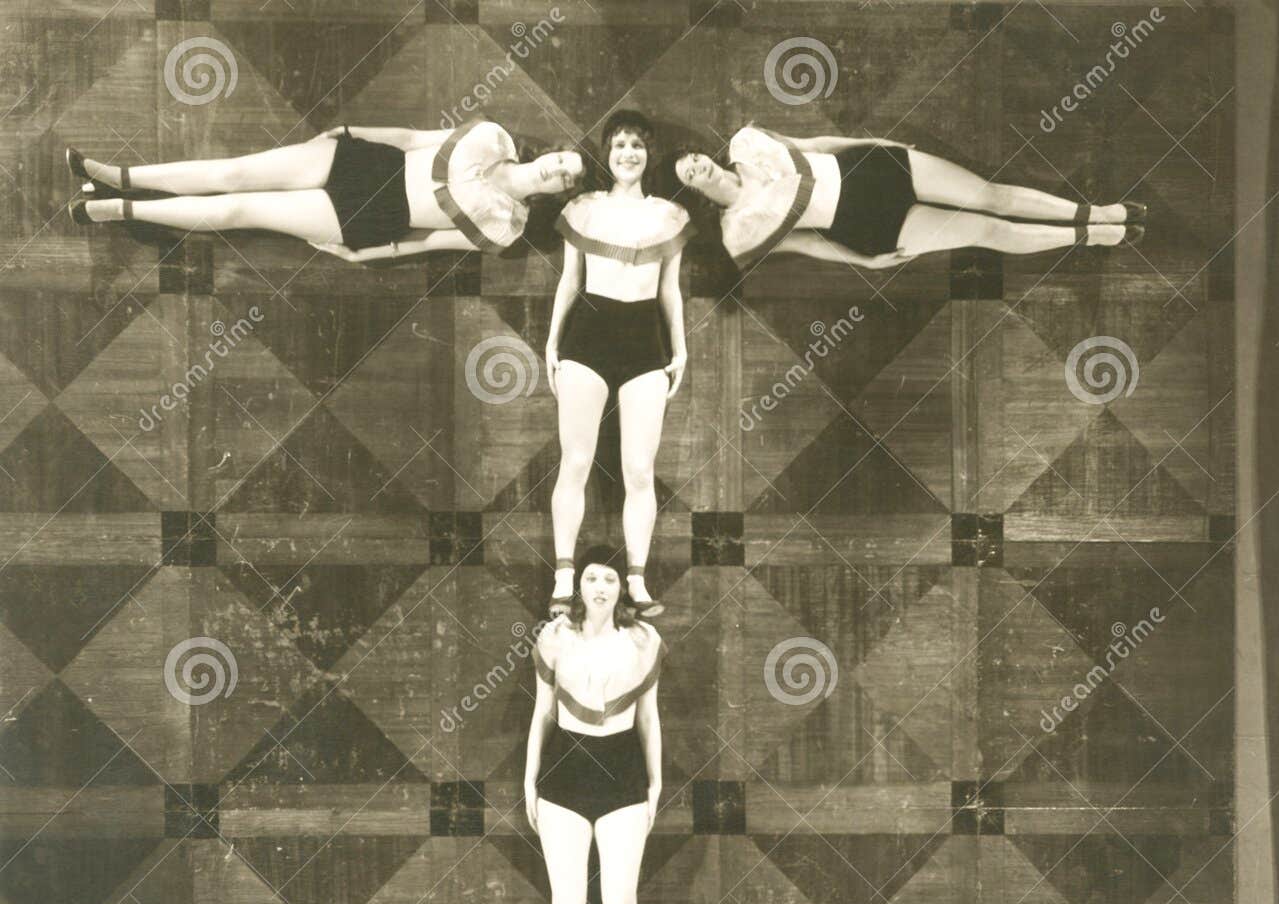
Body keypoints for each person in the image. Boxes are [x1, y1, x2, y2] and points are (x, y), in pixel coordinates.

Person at [545, 111, 690, 618]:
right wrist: (551, 343)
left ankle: (638, 580)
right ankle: (564, 579)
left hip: (644, 342)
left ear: (648, 154)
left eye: (637, 145)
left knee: (639, 469)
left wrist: (680, 348)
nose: (628, 153)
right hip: (588, 336)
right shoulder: (583, 208)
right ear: (607, 155)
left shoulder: (671, 215)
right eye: (619, 145)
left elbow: (670, 291)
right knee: (577, 460)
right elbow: (569, 281)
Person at [64, 121, 581, 261]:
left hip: (372, 215)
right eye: (560, 160)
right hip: (368, 161)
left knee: (240, 210)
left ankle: (117, 209)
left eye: (565, 177)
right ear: (549, 153)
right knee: (233, 174)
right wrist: (353, 131)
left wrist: (364, 257)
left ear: (558, 193)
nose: (555, 171)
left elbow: (429, 242)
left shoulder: (506, 229)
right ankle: (115, 174)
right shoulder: (492, 136)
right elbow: (412, 138)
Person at [525, 553, 662, 904]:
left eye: (609, 578)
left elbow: (650, 717)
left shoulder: (644, 641)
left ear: (622, 586)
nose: (600, 586)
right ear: (578, 586)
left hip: (622, 773)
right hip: (565, 775)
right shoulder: (554, 637)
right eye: (591, 578)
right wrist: (529, 780)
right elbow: (541, 712)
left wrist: (655, 783)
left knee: (621, 903)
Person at [674, 125, 1146, 270]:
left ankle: (1096, 211)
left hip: (872, 170)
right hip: (864, 224)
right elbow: (810, 244)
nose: (700, 164)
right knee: (985, 230)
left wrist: (880, 145)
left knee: (990, 194)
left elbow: (818, 144)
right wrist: (867, 263)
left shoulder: (747, 144)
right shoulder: (737, 230)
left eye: (694, 156)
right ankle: (1087, 237)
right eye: (690, 172)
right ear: (693, 190)